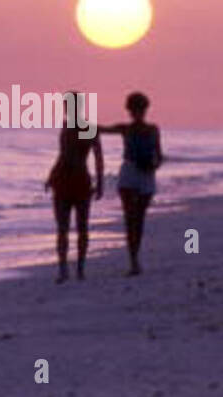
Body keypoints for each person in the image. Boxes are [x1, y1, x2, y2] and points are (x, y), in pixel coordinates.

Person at [98, 91, 162, 277]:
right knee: (129, 217)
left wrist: (154, 166)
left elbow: (159, 154)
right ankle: (133, 260)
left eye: (139, 109)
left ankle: (135, 258)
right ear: (129, 110)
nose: (137, 113)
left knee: (139, 218)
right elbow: (101, 129)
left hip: (146, 173)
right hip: (129, 171)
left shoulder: (153, 129)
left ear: (145, 110)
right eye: (134, 109)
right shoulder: (125, 128)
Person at [44, 92, 103, 283]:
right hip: (62, 181)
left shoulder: (86, 127)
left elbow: (97, 156)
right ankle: (64, 269)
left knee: (81, 227)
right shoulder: (67, 127)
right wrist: (50, 176)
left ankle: (79, 268)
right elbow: (63, 155)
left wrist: (100, 182)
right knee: (63, 228)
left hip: (79, 182)